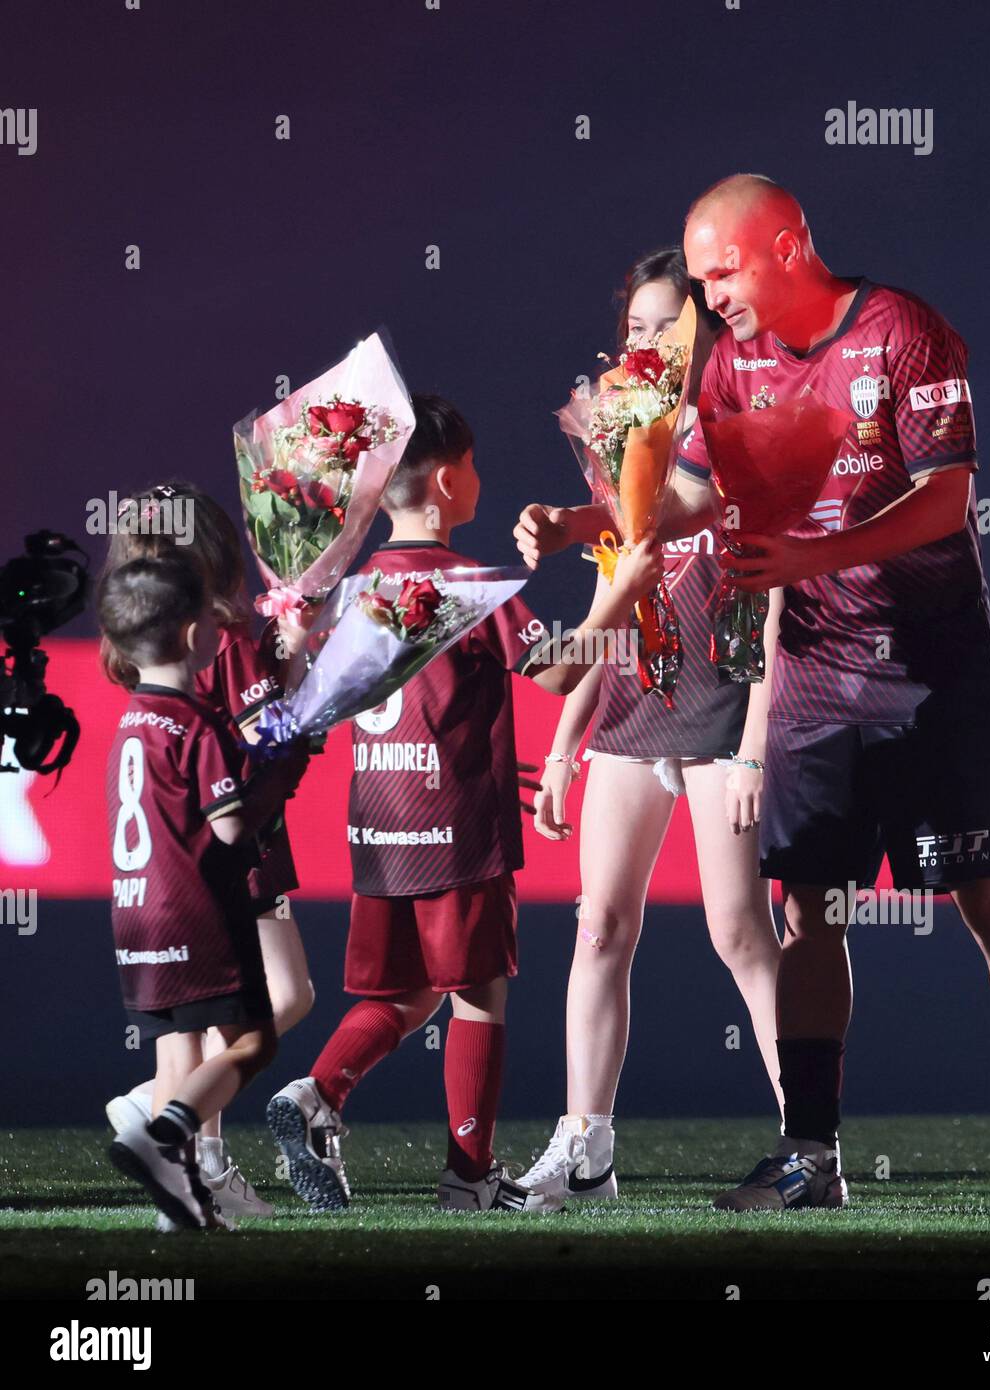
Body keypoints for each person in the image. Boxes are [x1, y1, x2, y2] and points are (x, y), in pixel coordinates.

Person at [516, 174, 990, 1217]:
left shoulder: (903, 331)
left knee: (985, 900)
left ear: (786, 245)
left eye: (720, 272)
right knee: (807, 911)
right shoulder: (729, 364)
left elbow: (946, 495)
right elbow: (693, 491)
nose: (710, 297)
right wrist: (591, 520)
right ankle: (809, 1156)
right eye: (696, 281)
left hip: (925, 666)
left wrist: (818, 548)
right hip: (814, 674)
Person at [267, 393, 663, 1213]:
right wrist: (620, 596)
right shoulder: (467, 584)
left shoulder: (352, 587)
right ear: (448, 482)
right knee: (477, 991)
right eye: (474, 466)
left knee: (402, 995)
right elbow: (555, 670)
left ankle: (316, 1095)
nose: (480, 477)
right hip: (457, 834)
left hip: (377, 825)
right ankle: (470, 1175)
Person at [516, 249, 784, 1209]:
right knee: (598, 929)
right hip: (633, 710)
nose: (644, 343)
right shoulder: (621, 437)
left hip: (718, 707)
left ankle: (812, 1144)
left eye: (664, 326)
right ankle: (584, 1147)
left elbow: (754, 579)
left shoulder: (746, 432)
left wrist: (755, 739)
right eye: (633, 328)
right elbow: (612, 596)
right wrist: (560, 749)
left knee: (740, 934)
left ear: (705, 330)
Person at [99, 482, 314, 1222]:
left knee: (204, 1031)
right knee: (251, 1020)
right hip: (216, 871)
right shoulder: (214, 653)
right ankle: (188, 1145)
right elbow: (260, 748)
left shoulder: (141, 687)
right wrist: (299, 712)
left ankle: (179, 1149)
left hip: (154, 890)